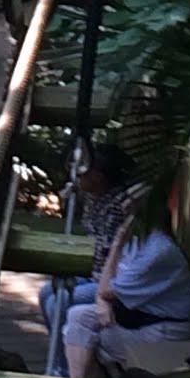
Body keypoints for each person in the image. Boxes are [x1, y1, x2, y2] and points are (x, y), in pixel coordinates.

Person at [63, 208, 190, 378]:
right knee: (77, 316)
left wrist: (116, 244)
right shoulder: (138, 242)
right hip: (139, 323)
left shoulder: (158, 251)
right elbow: (107, 285)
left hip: (162, 336)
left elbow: (106, 290)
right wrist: (102, 301)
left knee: (81, 337)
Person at [38, 142, 134, 356]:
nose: (77, 177)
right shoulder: (94, 194)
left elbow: (114, 252)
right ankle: (59, 349)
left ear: (99, 177)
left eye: (83, 173)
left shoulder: (121, 205)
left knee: (60, 301)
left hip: (113, 281)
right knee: (46, 292)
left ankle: (62, 366)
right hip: (96, 273)